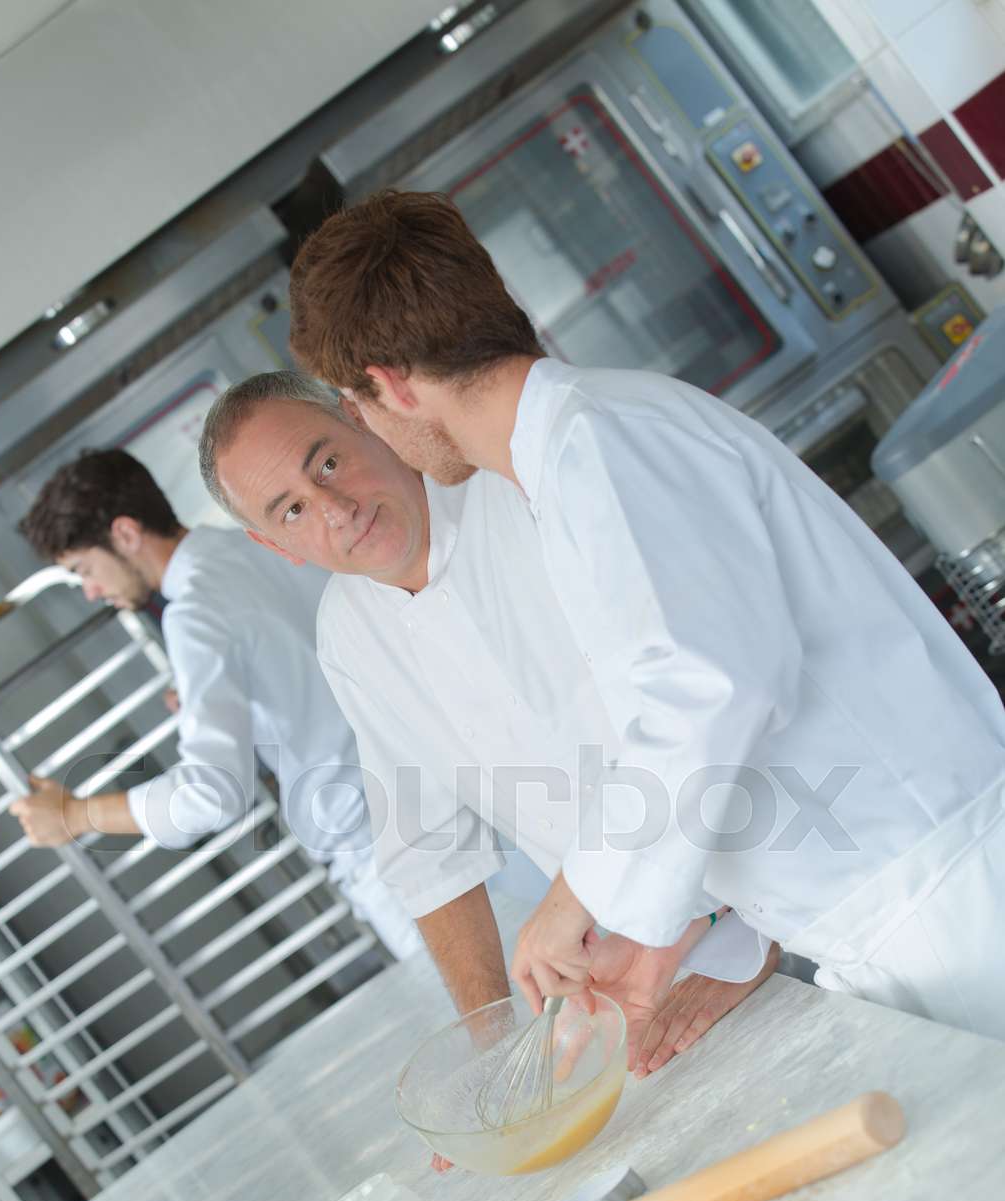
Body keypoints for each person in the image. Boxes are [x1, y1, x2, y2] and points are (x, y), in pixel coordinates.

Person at [286, 189, 1005, 1041]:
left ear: (388, 385)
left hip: (946, 897)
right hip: (896, 909)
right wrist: (654, 926)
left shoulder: (599, 446)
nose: (365, 427)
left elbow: (706, 688)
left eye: (352, 408)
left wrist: (578, 894)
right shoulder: (572, 452)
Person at [197, 372, 777, 1083]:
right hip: (661, 964)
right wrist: (500, 1058)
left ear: (361, 420)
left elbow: (711, 690)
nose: (334, 509)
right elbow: (429, 850)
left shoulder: (514, 488)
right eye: (291, 510)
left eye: (326, 462)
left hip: (793, 880)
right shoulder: (349, 635)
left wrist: (751, 931)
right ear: (277, 548)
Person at [9, 447, 420, 960]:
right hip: (442, 794)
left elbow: (211, 794)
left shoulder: (194, 615)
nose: (90, 590)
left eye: (84, 568)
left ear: (126, 535)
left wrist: (75, 815)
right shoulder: (259, 544)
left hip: (387, 856)